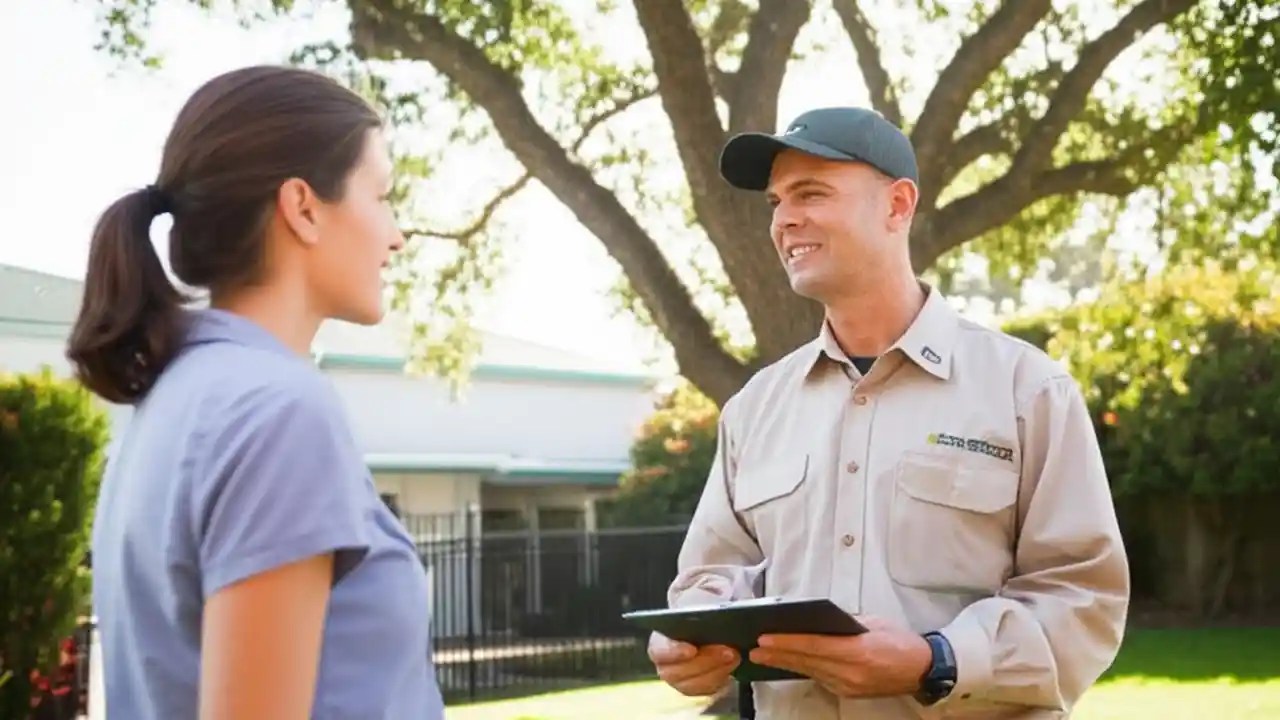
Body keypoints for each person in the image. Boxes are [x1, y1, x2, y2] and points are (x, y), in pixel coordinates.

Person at [647, 107, 1130, 719]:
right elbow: (712, 576)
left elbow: (1083, 597)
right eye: (775, 202)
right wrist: (689, 638)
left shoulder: (1027, 391)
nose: (784, 218)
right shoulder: (753, 410)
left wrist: (936, 661)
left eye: (811, 192)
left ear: (897, 206)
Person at [66, 65, 445, 720]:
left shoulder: (168, 404)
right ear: (302, 207)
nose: (396, 234)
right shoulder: (277, 411)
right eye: (381, 196)